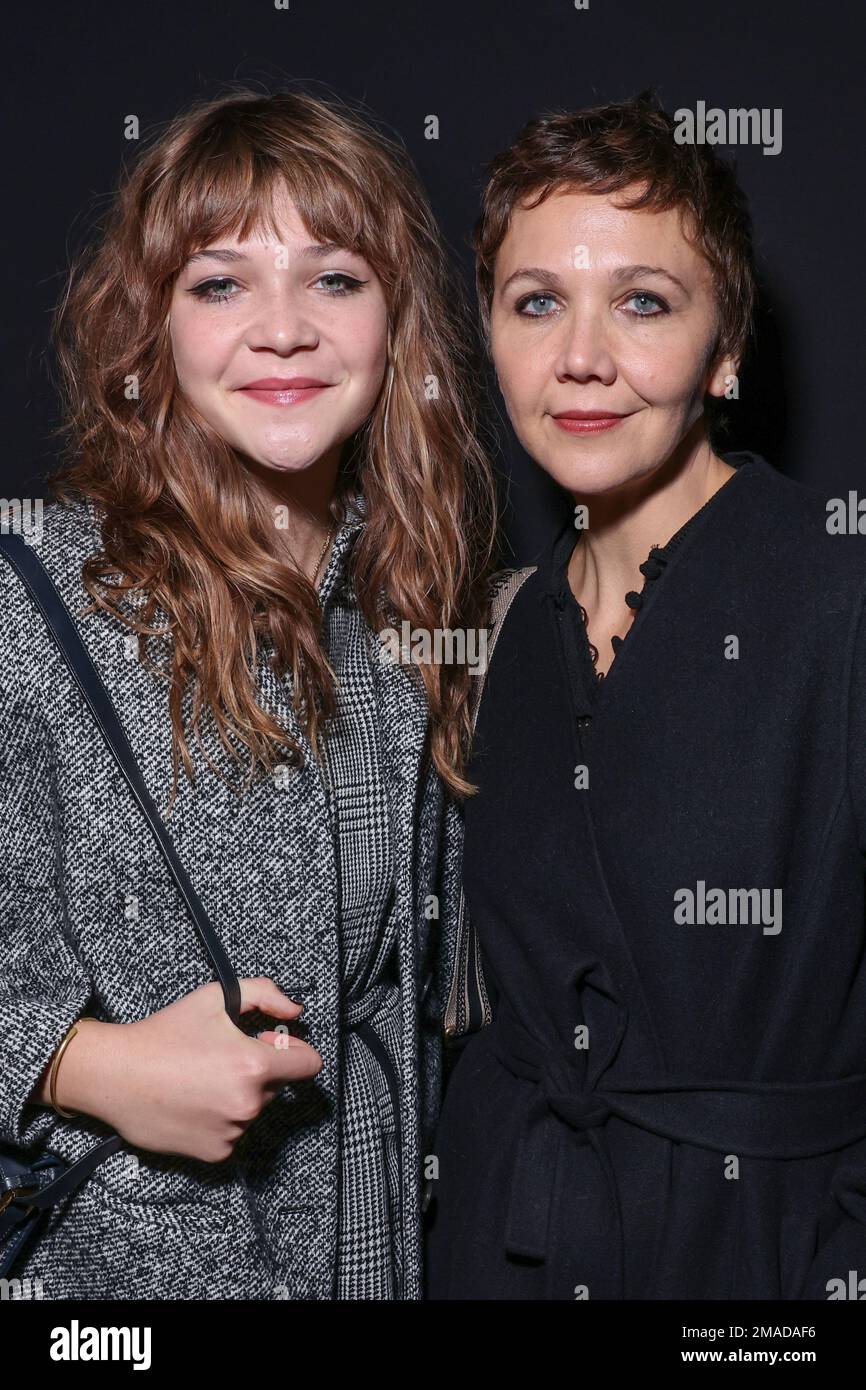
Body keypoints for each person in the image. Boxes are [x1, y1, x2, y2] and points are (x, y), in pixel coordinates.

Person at [0, 86, 495, 1300]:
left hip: (381, 1246)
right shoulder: (28, 594)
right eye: (220, 283)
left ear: (395, 328)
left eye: (335, 279)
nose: (283, 330)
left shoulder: (420, 604)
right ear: (151, 328)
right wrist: (79, 1065)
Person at [425, 91, 866, 1300]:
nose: (580, 356)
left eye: (641, 302)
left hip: (753, 1262)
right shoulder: (506, 624)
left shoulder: (838, 595)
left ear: (723, 351)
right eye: (535, 303)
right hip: (499, 1241)